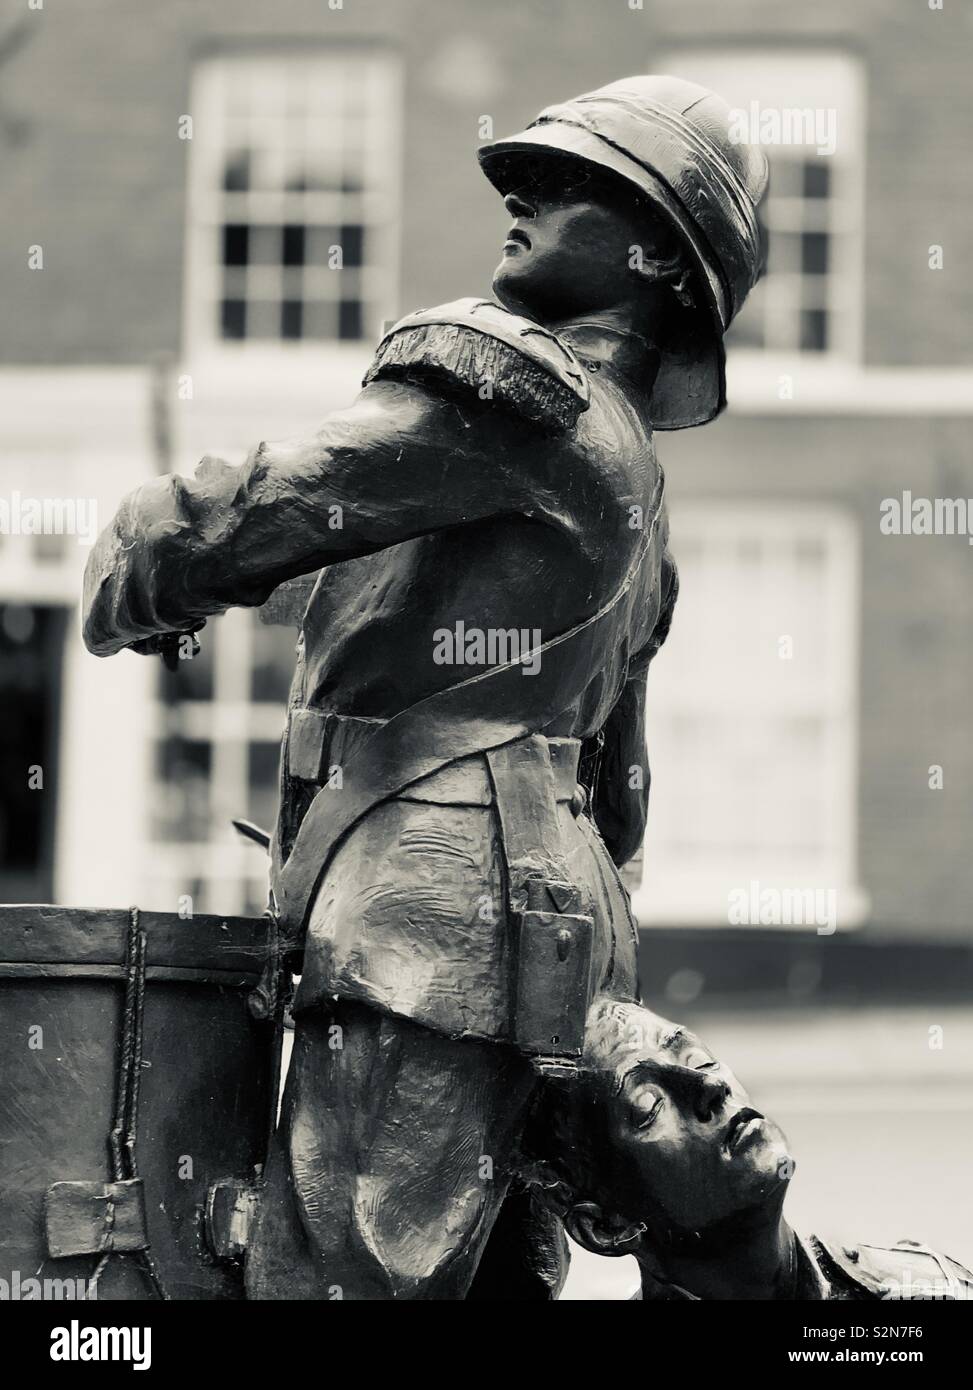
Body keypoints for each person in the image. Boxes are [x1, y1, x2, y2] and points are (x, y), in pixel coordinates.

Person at [82, 76, 767, 1299]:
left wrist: (139, 565)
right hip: (557, 929)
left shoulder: (518, 392)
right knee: (492, 1282)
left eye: (568, 186)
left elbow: (266, 506)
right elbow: (626, 786)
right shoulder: (639, 490)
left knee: (341, 1275)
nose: (518, 194)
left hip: (427, 911)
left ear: (658, 256)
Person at [526, 997, 973, 1300]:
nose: (711, 1085)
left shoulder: (928, 1290)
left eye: (695, 1058)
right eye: (649, 1106)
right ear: (603, 1225)